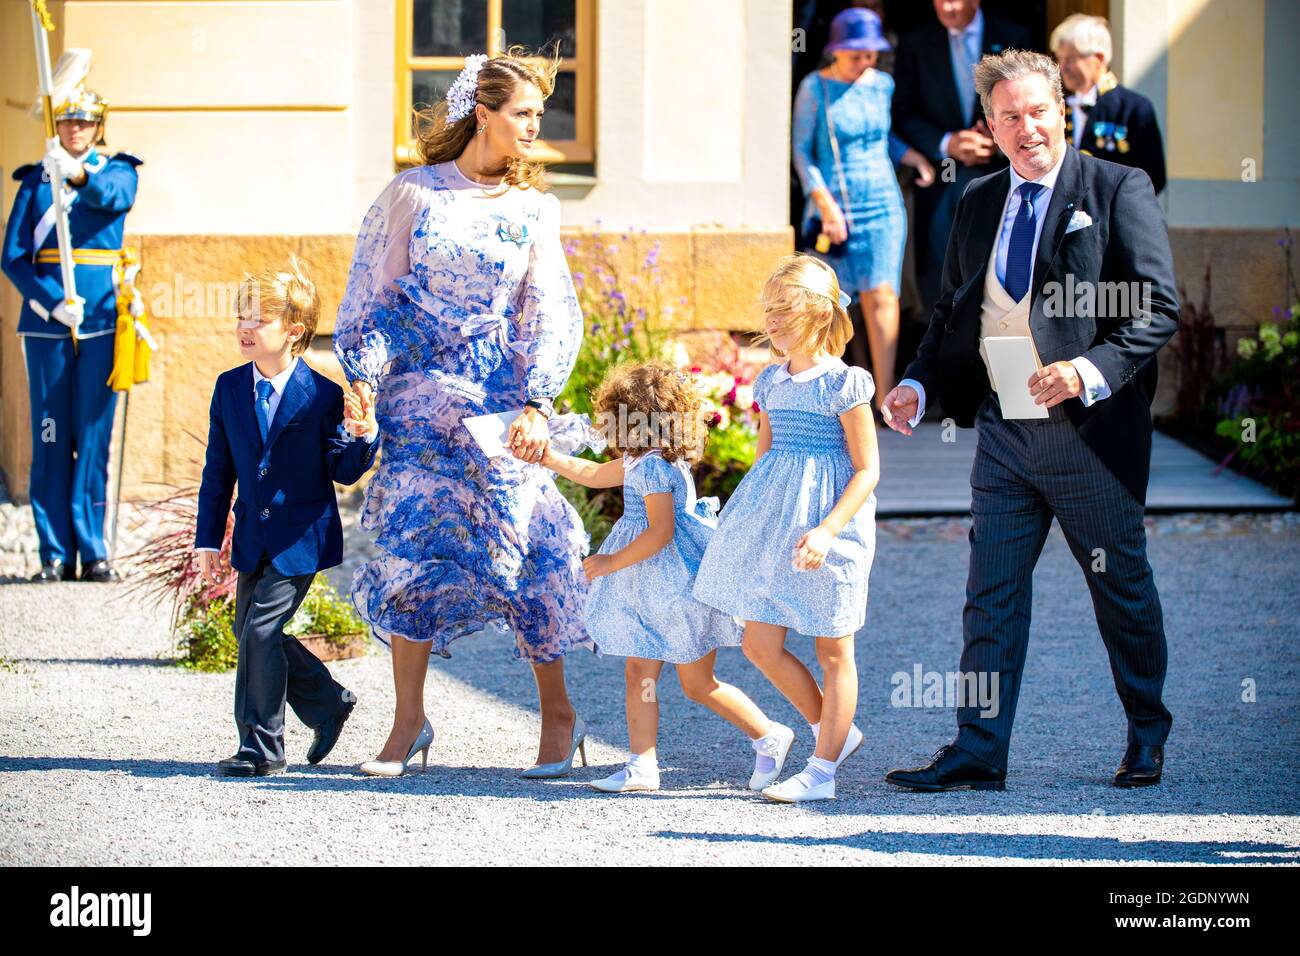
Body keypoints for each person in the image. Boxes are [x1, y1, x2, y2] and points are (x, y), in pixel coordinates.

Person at [880, 50, 1178, 791]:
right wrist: (918, 381)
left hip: (1090, 440)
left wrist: (1086, 371)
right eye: (1008, 116)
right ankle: (979, 749)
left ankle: (1146, 732)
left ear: (1062, 112)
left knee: (1122, 589)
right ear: (990, 123)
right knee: (991, 593)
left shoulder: (1115, 187)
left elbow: (1158, 307)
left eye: (1038, 111)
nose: (1026, 128)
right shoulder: (978, 200)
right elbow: (950, 309)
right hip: (1005, 437)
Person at [331, 48, 596, 779]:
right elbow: (372, 298)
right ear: (482, 114)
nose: (535, 127)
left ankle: (560, 717)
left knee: (530, 553)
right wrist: (364, 375)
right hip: (418, 403)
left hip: (502, 403)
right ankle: (409, 722)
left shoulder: (537, 207)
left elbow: (550, 310)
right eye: (523, 114)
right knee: (413, 552)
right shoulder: (412, 194)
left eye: (541, 115)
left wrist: (539, 401)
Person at [541, 361, 793, 793]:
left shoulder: (655, 468)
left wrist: (609, 561)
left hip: (675, 587)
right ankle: (643, 764)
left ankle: (769, 734)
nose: (608, 426)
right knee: (641, 670)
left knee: (697, 684)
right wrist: (547, 457)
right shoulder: (642, 460)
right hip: (651, 587)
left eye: (614, 416)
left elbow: (660, 533)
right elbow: (594, 474)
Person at [694, 254, 880, 803]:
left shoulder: (845, 383)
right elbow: (766, 458)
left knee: (833, 647)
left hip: (831, 524)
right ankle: (834, 731)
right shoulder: (771, 380)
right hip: (775, 521)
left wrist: (827, 531)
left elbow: (867, 469)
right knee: (759, 641)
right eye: (767, 310)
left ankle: (821, 772)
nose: (770, 321)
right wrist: (743, 524)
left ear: (820, 314)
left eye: (783, 311)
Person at [194, 257, 380, 776]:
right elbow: (218, 470)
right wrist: (207, 540)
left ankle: (262, 749)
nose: (243, 328)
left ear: (293, 331)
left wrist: (364, 435)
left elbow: (343, 470)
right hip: (253, 535)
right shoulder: (229, 388)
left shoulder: (322, 395)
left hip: (302, 537)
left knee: (258, 633)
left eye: (257, 319)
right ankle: (327, 702)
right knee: (250, 633)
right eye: (240, 317)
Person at [1, 60, 141, 583]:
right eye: (66, 122)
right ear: (56, 126)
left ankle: (94, 549)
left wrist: (76, 174)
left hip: (102, 319)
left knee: (93, 434)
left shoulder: (118, 169)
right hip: (46, 323)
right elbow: (12, 256)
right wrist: (50, 300)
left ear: (98, 127)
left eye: (84, 122)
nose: (74, 130)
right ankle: (54, 552)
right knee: (51, 434)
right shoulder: (34, 183)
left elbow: (115, 198)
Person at [792, 7, 934, 407]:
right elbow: (802, 153)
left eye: (870, 54)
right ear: (836, 50)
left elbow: (885, 138)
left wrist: (916, 158)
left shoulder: (883, 85)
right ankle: (832, 398)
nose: (865, 62)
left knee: (881, 296)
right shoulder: (814, 88)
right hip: (833, 206)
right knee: (831, 302)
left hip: (883, 203)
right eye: (857, 54)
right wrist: (824, 204)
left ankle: (885, 397)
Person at [891, 0, 1032, 317]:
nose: (948, 7)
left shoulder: (1014, 36)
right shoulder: (915, 43)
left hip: (1002, 174)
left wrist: (998, 140)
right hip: (942, 179)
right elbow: (903, 111)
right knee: (943, 274)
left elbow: (1029, 101)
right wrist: (948, 143)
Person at [1051, 13, 1166, 194]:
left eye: (1071, 58)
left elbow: (1153, 177)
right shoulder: (1057, 106)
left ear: (1099, 58)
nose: (1062, 67)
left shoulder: (1134, 108)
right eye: (1060, 58)